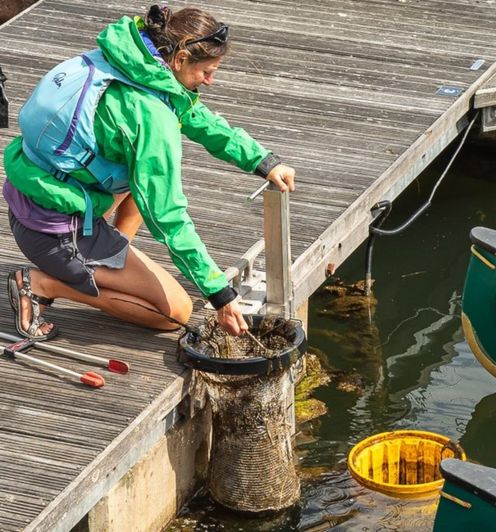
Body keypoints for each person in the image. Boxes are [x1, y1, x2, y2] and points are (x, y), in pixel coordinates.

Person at [3, 4, 295, 340]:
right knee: (174, 313)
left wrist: (261, 161)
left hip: (39, 198)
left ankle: (110, 260)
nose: (211, 81)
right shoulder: (150, 117)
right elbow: (167, 217)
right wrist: (219, 293)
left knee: (135, 174)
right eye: (207, 71)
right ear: (181, 58)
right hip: (56, 233)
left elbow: (193, 116)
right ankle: (42, 284)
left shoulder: (133, 60)